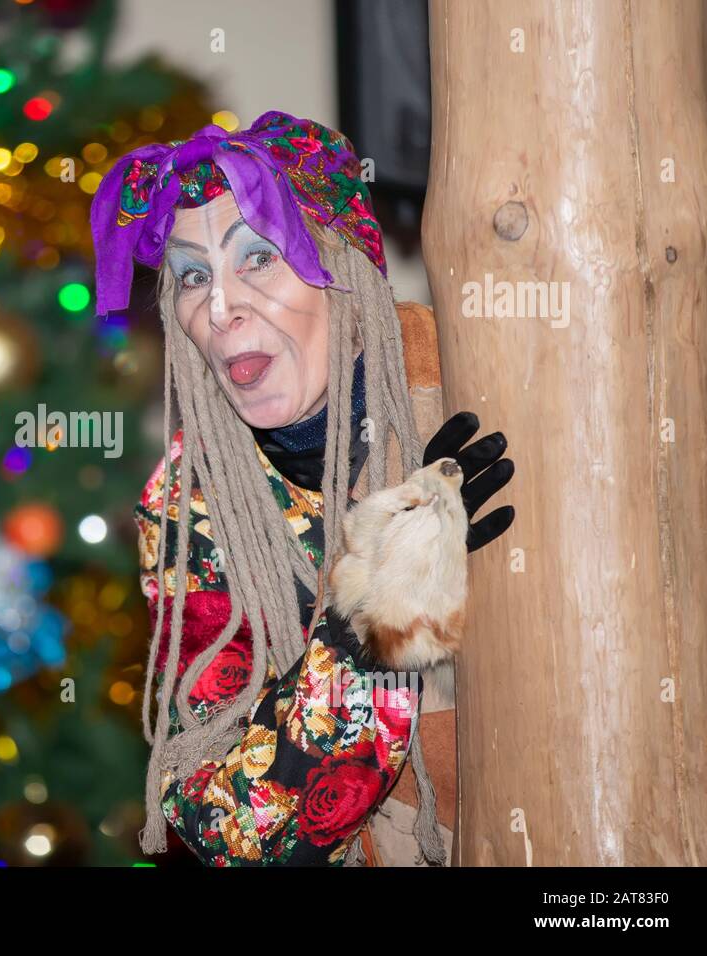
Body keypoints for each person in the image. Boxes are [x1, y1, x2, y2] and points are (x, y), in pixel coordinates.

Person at [90, 111, 515, 865]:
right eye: (192, 276)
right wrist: (379, 604)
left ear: (343, 272)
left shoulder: (475, 391)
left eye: (256, 258)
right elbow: (232, 830)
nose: (219, 309)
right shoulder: (193, 503)